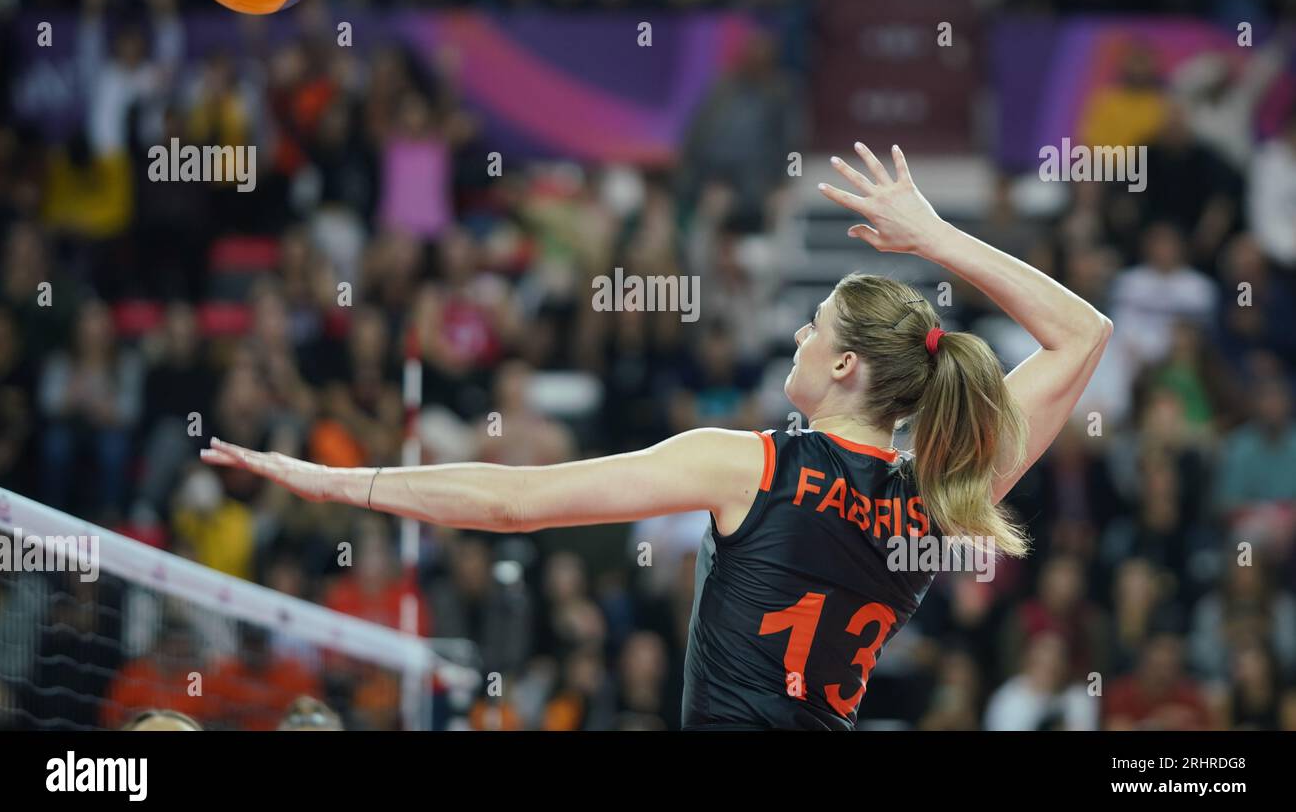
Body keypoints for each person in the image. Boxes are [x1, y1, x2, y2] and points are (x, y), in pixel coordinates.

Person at [203, 143, 1113, 731]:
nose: (800, 336)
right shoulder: (936, 497)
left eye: (816, 328)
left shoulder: (749, 464)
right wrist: (938, 239)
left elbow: (516, 502)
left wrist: (339, 481)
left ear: (845, 365)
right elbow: (1083, 334)